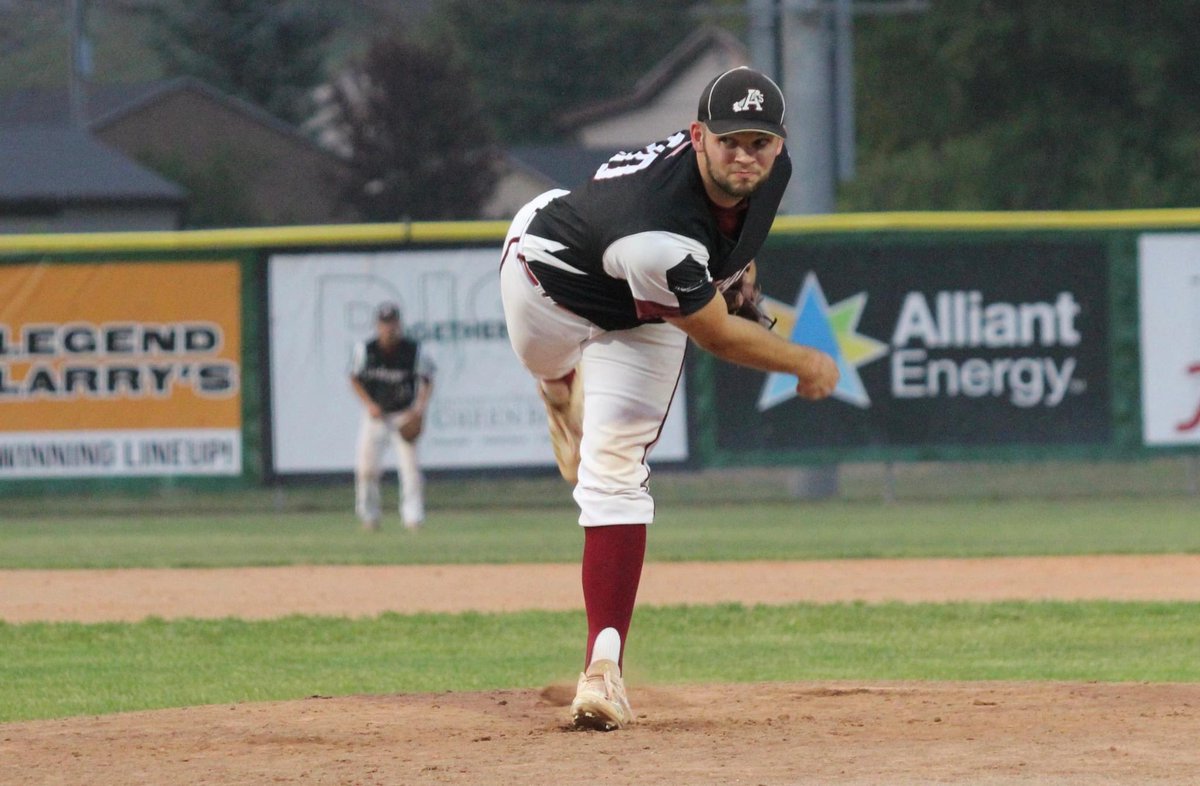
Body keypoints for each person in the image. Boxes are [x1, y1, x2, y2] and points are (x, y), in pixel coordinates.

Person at [498, 66, 840, 731]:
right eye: (730, 140)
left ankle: (602, 671)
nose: (746, 154)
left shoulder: (773, 169)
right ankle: (560, 388)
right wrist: (806, 360)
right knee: (548, 361)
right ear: (698, 137)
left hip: (650, 311)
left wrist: (733, 275)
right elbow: (714, 333)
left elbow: (729, 251)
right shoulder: (656, 232)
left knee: (616, 476)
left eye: (760, 141)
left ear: (778, 143)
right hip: (548, 281)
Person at [349, 302, 435, 532]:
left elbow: (427, 378)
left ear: (399, 324)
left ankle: (413, 518)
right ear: (378, 326)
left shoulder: (413, 350)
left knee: (410, 471)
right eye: (385, 323)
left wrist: (419, 408)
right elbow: (354, 378)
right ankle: (369, 517)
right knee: (366, 469)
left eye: (392, 323)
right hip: (376, 417)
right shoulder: (366, 350)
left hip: (402, 415)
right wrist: (369, 404)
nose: (389, 328)